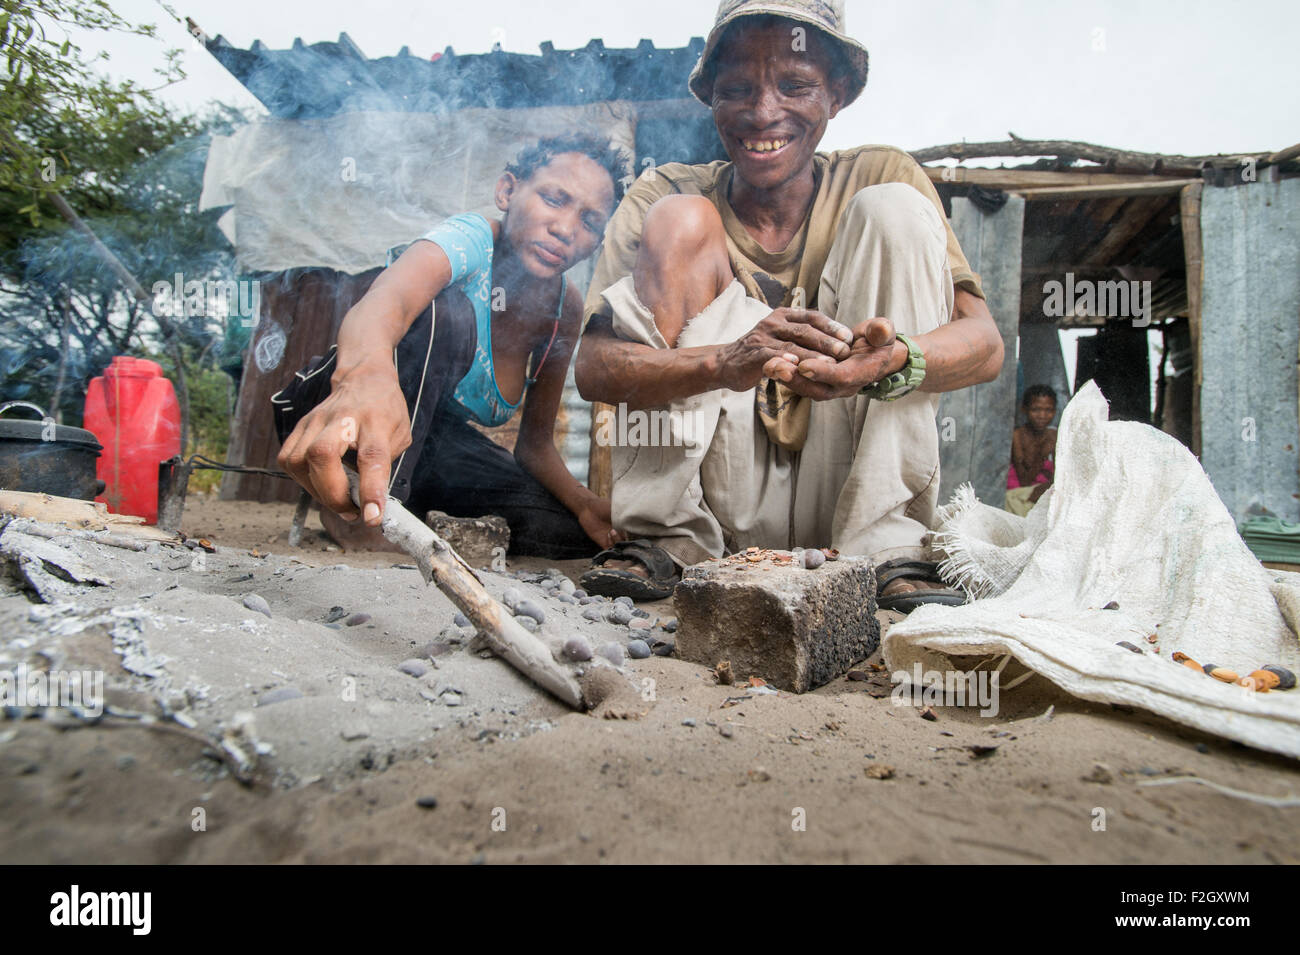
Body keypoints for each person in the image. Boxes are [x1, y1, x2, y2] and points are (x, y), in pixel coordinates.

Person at [572, 0, 1004, 608]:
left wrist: (891, 360)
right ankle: (662, 539)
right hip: (717, 502)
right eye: (738, 89)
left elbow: (984, 347)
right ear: (712, 99)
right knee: (680, 219)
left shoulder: (884, 173)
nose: (763, 112)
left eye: (796, 85)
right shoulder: (665, 190)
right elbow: (593, 370)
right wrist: (724, 362)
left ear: (840, 93)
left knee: (894, 212)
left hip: (847, 488)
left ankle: (889, 546)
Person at [274, 134, 630, 557]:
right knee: (447, 311)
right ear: (507, 191)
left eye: (590, 222)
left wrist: (586, 504)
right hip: (339, 413)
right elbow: (386, 302)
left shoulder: (563, 309)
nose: (565, 228)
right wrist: (365, 378)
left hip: (430, 446)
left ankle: (408, 512)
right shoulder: (469, 240)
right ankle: (364, 509)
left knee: (565, 532)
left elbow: (535, 445)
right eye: (554, 199)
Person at [1005, 385, 1058, 516]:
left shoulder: (1054, 436)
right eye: (1036, 410)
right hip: (1019, 488)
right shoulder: (1017, 436)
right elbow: (1024, 480)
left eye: (1048, 410)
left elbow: (1058, 476)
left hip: (1041, 488)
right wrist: (1042, 454)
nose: (1042, 415)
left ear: (1055, 411)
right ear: (1024, 409)